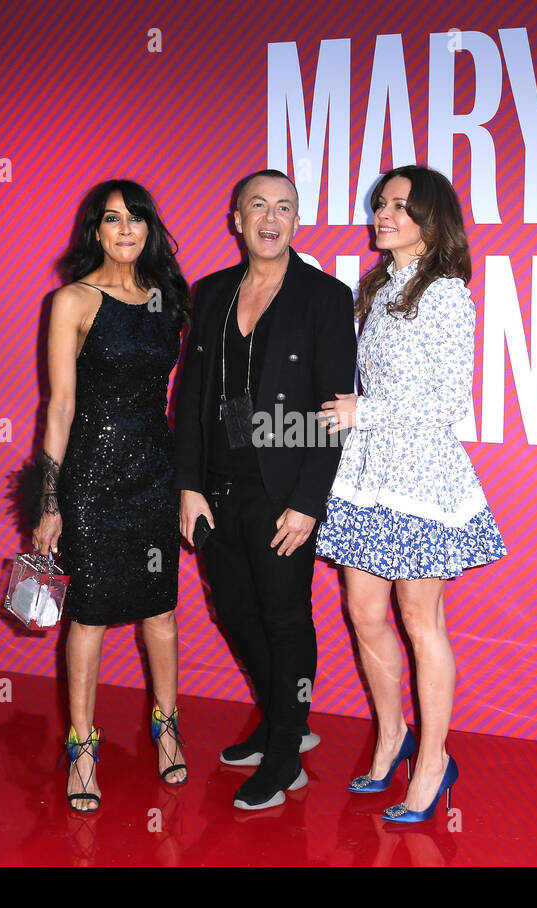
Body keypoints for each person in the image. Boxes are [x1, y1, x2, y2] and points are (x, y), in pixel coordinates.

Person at [315, 165, 507, 822]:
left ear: (432, 218)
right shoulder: (379, 286)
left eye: (400, 205)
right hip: (370, 474)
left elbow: (450, 402)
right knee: (364, 611)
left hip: (419, 478)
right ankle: (393, 734)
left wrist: (362, 412)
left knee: (421, 622)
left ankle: (433, 761)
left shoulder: (447, 294)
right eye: (381, 204)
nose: (383, 214)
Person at [173, 169, 357, 810]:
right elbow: (191, 398)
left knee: (284, 618)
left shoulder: (325, 298)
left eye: (284, 207)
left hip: (284, 494)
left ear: (297, 220)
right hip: (218, 490)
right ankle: (289, 719)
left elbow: (335, 410)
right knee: (235, 611)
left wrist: (309, 502)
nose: (271, 218)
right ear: (236, 218)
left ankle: (284, 756)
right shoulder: (212, 292)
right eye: (258, 206)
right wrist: (189, 484)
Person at [32, 180, 190, 812]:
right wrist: (49, 501)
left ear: (150, 229)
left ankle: (168, 729)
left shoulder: (167, 301)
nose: (126, 230)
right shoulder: (72, 299)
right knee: (90, 615)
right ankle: (83, 746)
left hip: (155, 473)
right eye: (112, 220)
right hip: (93, 479)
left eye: (136, 220)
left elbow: (182, 397)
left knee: (161, 612)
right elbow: (61, 405)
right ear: (94, 230)